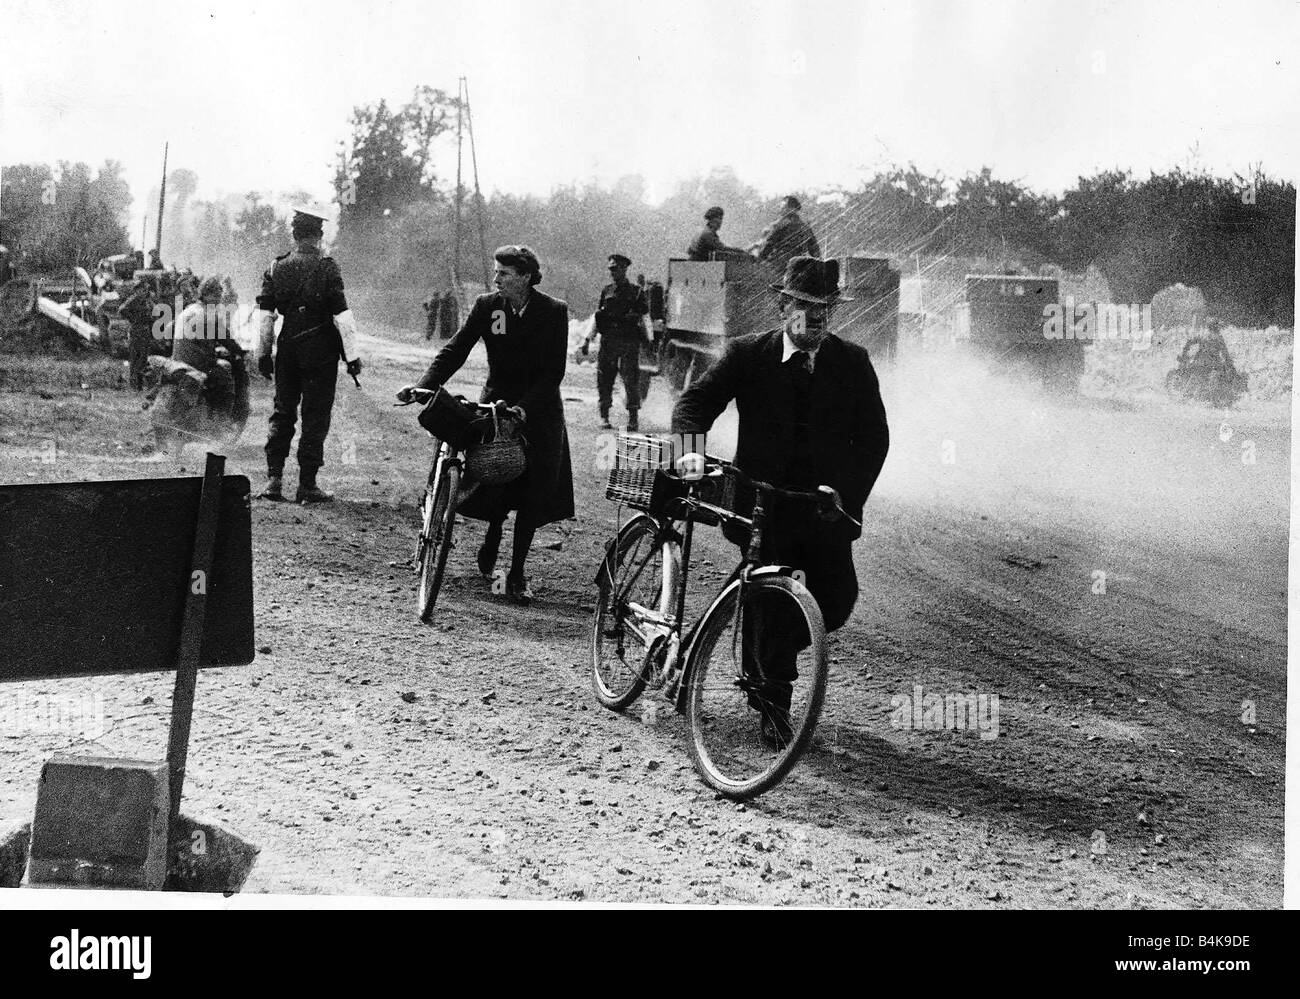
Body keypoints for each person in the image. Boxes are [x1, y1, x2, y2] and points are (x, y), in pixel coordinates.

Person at [671, 256, 889, 746]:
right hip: (760, 506)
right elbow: (694, 404)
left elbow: (874, 438)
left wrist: (847, 494)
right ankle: (773, 698)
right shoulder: (748, 354)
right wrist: (689, 455)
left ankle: (710, 645)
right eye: (805, 307)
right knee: (777, 592)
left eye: (826, 309)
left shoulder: (851, 362)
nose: (815, 319)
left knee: (834, 601)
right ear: (781, 305)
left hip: (821, 508)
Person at [397, 245, 575, 604]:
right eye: (496, 273)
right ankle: (494, 532)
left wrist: (525, 409)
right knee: (492, 471)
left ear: (525, 276)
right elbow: (456, 348)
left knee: (535, 486)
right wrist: (426, 384)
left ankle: (517, 571)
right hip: (496, 401)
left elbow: (554, 371)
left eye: (504, 273)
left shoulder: (553, 312)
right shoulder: (488, 306)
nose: (496, 279)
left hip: (538, 409)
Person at [255, 204, 364, 503]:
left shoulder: (277, 267)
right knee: (315, 416)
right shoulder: (328, 267)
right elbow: (342, 317)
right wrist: (352, 358)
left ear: (294, 234)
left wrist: (264, 354)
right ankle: (307, 484)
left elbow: (265, 316)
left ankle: (273, 481)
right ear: (318, 235)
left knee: (282, 411)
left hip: (288, 349)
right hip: (321, 353)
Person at [587, 253, 649, 431]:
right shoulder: (607, 291)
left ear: (624, 269)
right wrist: (587, 339)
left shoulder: (636, 292)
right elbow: (597, 316)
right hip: (608, 342)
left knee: (631, 380)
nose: (612, 272)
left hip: (629, 341)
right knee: (605, 379)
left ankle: (633, 419)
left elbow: (645, 318)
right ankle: (604, 416)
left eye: (615, 268)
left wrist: (648, 341)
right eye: (610, 269)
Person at [754, 196, 821, 277]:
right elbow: (815, 250)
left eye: (782, 207)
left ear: (791, 209)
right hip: (797, 268)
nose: (780, 209)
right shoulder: (805, 227)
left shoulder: (781, 224)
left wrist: (758, 260)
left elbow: (768, 244)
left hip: (777, 267)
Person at [118, 274, 159, 391]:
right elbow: (122, 310)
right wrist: (133, 319)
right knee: (135, 357)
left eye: (145, 289)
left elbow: (154, 311)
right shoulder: (133, 300)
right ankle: (134, 384)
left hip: (145, 330)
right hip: (136, 330)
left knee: (143, 358)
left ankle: (140, 384)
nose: (144, 291)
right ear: (137, 290)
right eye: (142, 289)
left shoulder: (146, 301)